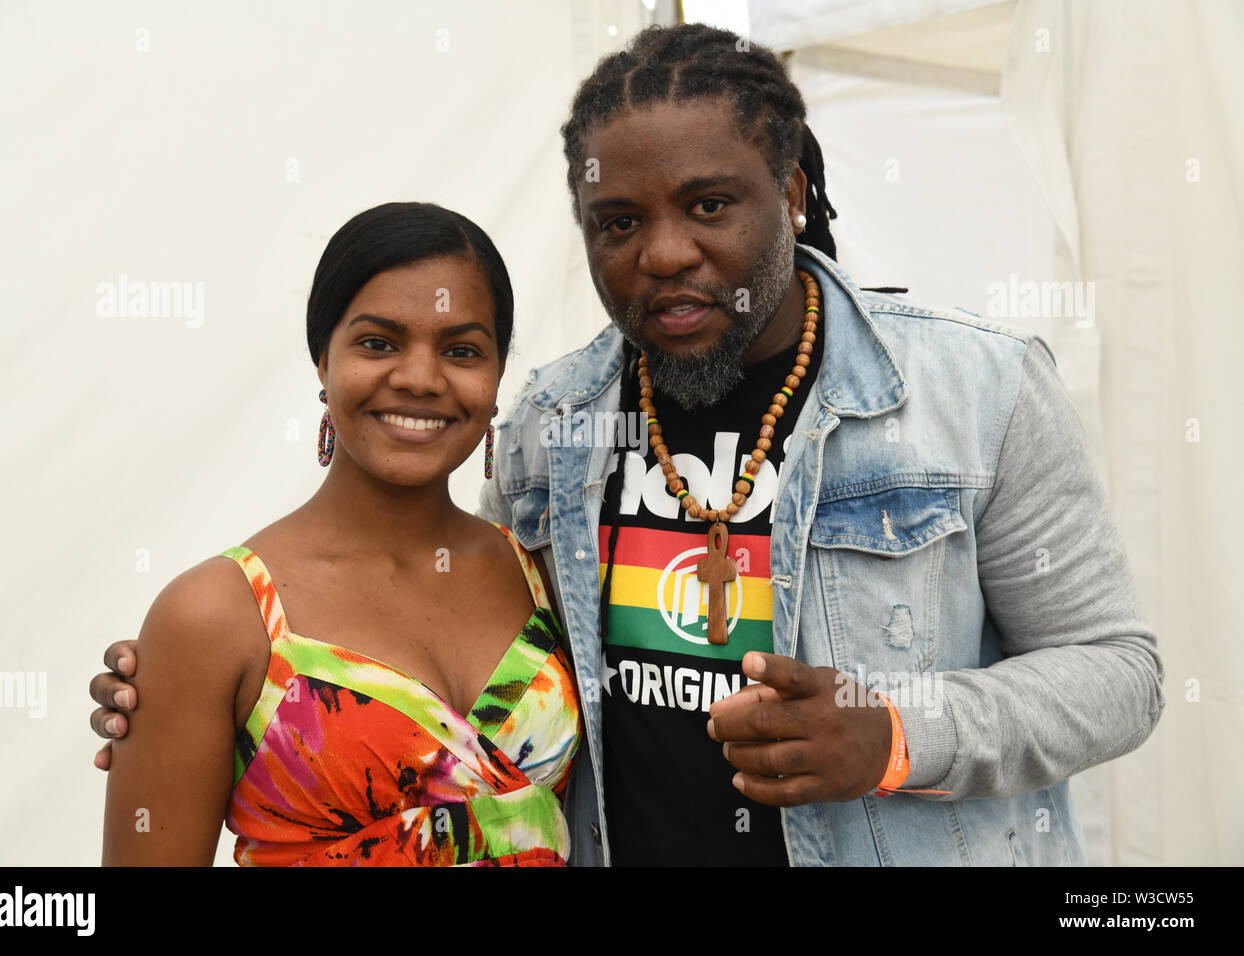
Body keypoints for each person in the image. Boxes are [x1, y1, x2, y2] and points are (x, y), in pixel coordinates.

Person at [91, 23, 1163, 866]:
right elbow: (443, 671)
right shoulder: (553, 425)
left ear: (792, 194)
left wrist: (893, 731)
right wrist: (195, 695)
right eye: (618, 222)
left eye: (709, 205)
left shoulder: (973, 392)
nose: (664, 253)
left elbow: (1120, 673)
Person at [100, 202, 581, 866]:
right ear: (322, 361)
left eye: (461, 350)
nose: (420, 379)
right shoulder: (214, 614)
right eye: (378, 343)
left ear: (497, 378)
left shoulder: (545, 574)